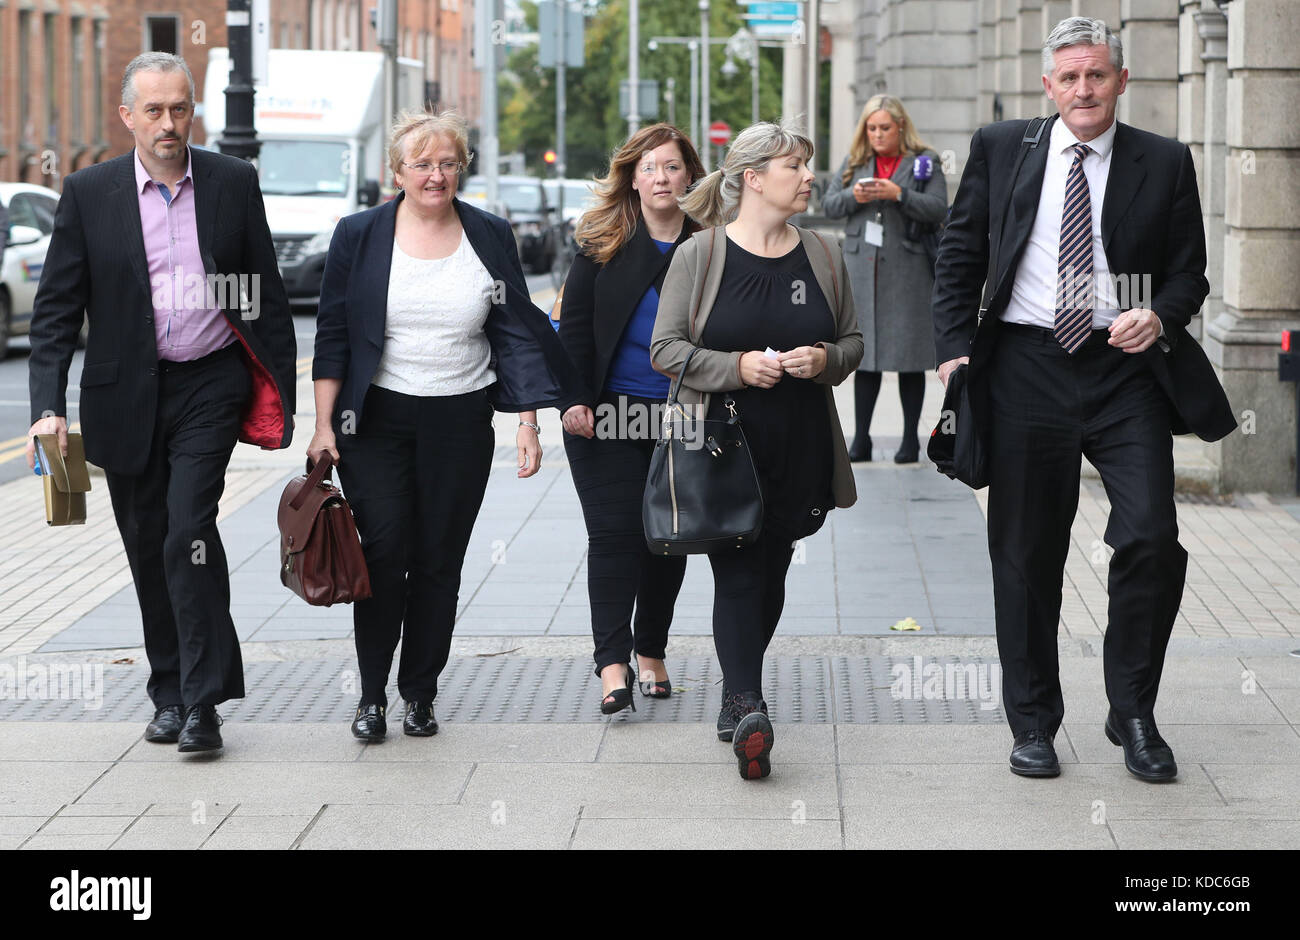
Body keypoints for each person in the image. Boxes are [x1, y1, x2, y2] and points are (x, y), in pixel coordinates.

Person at [931, 17, 1235, 781]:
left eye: (1097, 75)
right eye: (1069, 77)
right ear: (1049, 85)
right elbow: (960, 252)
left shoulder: (1163, 162)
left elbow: (1188, 273)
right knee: (1027, 553)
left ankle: (1132, 709)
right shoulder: (1004, 148)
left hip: (1122, 370)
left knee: (1151, 537)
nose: (1084, 89)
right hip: (1025, 367)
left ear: (1121, 81)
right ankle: (1033, 721)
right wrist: (953, 351)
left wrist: (1158, 314)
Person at [25, 52, 297, 753]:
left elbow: (261, 292)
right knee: (149, 548)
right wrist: (47, 407)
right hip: (125, 394)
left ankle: (204, 705)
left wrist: (287, 397)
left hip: (209, 383)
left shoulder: (233, 183)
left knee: (188, 533)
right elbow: (57, 310)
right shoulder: (89, 193)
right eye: (154, 110)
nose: (169, 122)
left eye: (180, 108)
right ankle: (169, 690)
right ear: (127, 116)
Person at [309, 110, 585, 742]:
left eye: (448, 163)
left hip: (459, 418)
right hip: (374, 419)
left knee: (439, 560)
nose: (436, 175)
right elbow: (332, 336)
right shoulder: (359, 233)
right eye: (422, 163)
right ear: (397, 171)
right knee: (382, 553)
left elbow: (515, 331)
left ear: (462, 167)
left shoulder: (489, 233)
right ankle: (372, 694)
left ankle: (420, 694)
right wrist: (324, 425)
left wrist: (528, 423)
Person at [651, 121, 864, 780]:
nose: (809, 177)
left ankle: (736, 691)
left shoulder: (824, 256)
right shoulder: (701, 255)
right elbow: (666, 351)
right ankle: (748, 702)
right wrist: (737, 368)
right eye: (795, 166)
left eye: (806, 166)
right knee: (739, 568)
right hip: (719, 443)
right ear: (754, 177)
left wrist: (823, 357)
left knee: (770, 571)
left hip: (799, 444)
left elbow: (854, 343)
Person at [557, 124, 705, 715]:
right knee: (615, 536)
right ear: (632, 178)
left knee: (666, 541)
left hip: (684, 414)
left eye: (671, 167)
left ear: (689, 175)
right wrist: (573, 401)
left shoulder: (713, 243)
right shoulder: (602, 242)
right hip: (608, 415)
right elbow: (573, 330)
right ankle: (612, 665)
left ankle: (651, 649)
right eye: (649, 168)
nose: (661, 178)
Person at [822, 95, 947, 463]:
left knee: (909, 357)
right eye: (871, 128)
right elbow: (829, 204)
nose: (877, 134)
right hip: (863, 269)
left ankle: (911, 440)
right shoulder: (856, 162)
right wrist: (854, 195)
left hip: (908, 271)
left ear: (901, 127)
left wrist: (900, 194)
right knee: (866, 357)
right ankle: (861, 439)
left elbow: (938, 207)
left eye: (884, 128)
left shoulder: (924, 161)